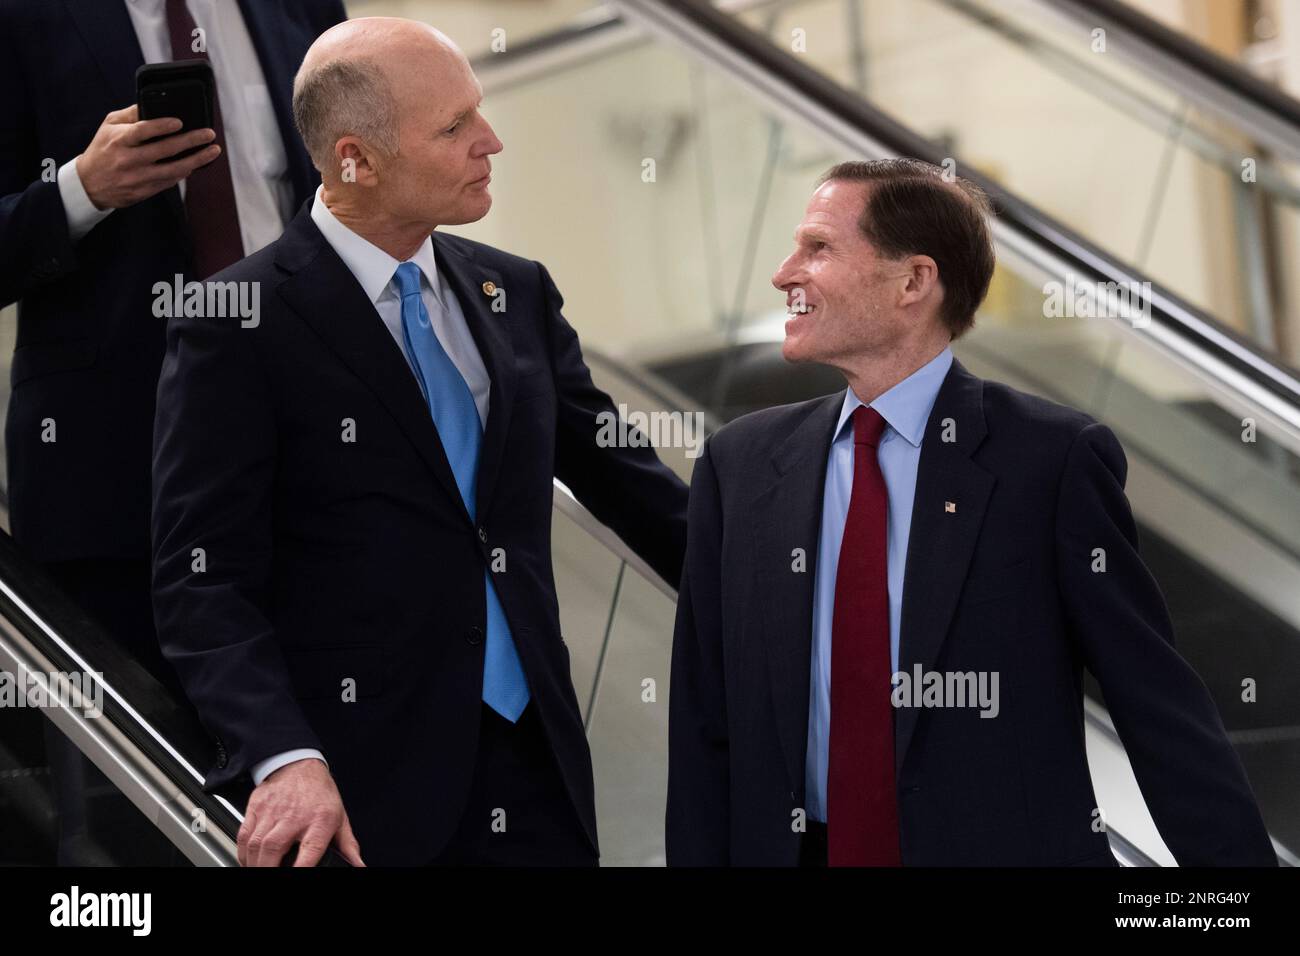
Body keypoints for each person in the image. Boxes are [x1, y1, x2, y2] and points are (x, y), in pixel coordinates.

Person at [152, 17, 688, 867]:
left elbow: (635, 486)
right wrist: (284, 757)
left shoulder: (514, 290)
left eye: (478, 112)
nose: (492, 142)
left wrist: (801, 589)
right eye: (454, 127)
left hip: (537, 764)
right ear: (355, 158)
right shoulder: (237, 323)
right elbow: (203, 583)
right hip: (361, 790)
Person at [666, 159, 1276, 867]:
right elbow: (704, 722)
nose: (784, 273)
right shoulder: (739, 465)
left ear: (914, 282)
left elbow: (1155, 704)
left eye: (819, 248)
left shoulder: (1051, 460)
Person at [0, 0, 344, 866]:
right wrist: (80, 187)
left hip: (319, 439)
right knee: (157, 812)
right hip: (119, 481)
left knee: (344, 766)